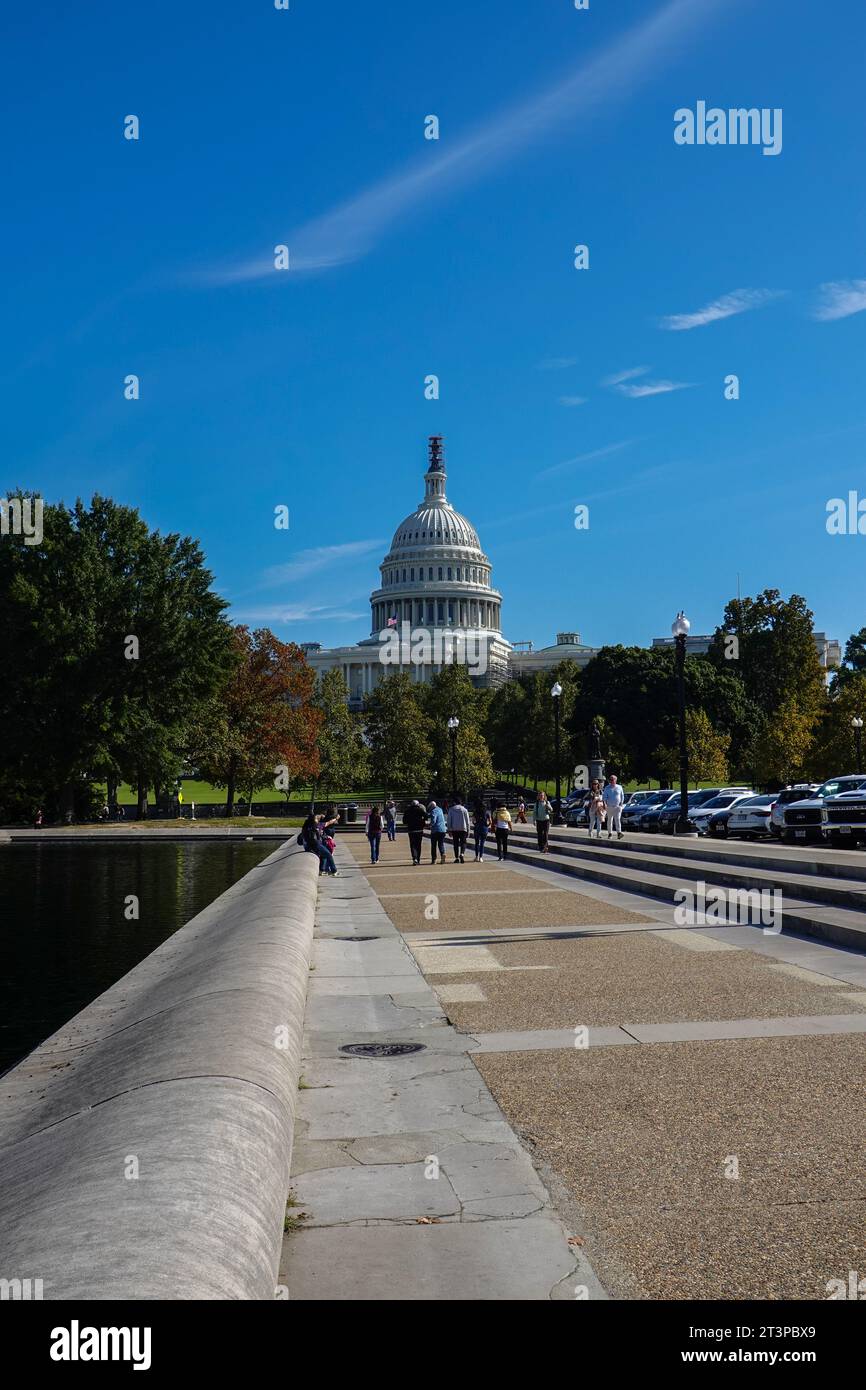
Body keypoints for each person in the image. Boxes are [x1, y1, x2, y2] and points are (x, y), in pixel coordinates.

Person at [300, 810, 337, 875]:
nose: (317, 820)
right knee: (329, 855)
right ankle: (334, 871)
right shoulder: (316, 827)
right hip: (315, 845)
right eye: (316, 819)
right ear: (313, 820)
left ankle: (322, 870)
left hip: (308, 846)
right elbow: (328, 823)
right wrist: (336, 818)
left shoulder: (306, 827)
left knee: (324, 854)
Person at [447, 795, 470, 863]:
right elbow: (467, 821)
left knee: (455, 843)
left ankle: (456, 857)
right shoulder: (464, 809)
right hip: (463, 828)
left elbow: (449, 820)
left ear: (454, 802)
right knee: (463, 842)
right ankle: (462, 854)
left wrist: (449, 829)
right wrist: (468, 830)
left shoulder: (451, 809)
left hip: (454, 829)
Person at [403, 799, 426, 865]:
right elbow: (426, 816)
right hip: (419, 830)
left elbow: (404, 821)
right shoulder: (420, 810)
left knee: (413, 845)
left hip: (411, 830)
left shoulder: (407, 811)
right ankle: (418, 859)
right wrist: (422, 821)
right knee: (418, 845)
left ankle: (414, 858)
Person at [603, 775, 625, 839]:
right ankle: (610, 833)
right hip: (609, 807)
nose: (612, 781)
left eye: (613, 779)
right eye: (611, 779)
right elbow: (604, 797)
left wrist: (621, 804)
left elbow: (622, 796)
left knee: (617, 819)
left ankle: (619, 833)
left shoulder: (619, 787)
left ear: (616, 780)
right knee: (610, 820)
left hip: (617, 807)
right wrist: (605, 804)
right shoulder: (607, 788)